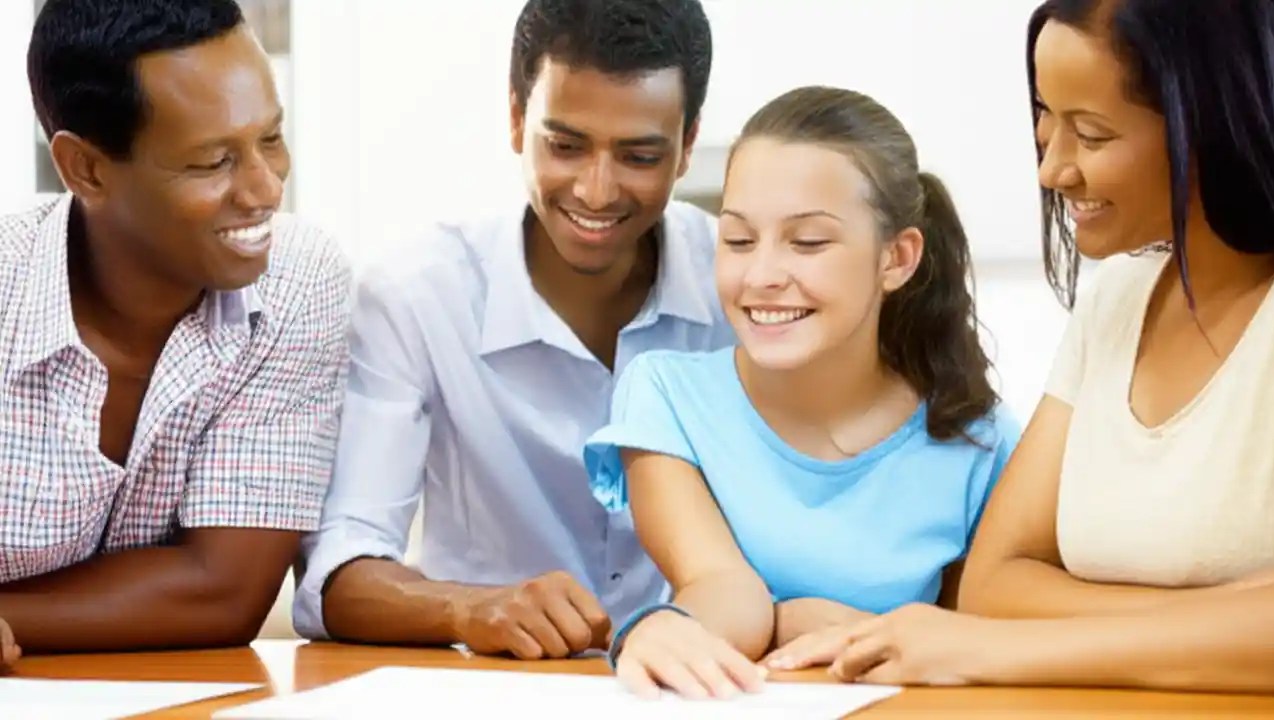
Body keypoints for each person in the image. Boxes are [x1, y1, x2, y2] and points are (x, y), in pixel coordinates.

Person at [769, 0, 1274, 693]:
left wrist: (995, 651)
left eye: (1092, 135)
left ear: (1211, 122)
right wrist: (1229, 622)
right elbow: (994, 582)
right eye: (1046, 116)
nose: (1052, 168)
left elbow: (988, 627)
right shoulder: (1115, 301)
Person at [293, 0, 733, 661]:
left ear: (687, 145)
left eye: (639, 155)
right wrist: (468, 608)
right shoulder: (418, 295)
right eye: (565, 145)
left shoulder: (741, 288)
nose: (596, 189)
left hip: (702, 682)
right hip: (489, 688)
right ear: (516, 118)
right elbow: (337, 573)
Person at [582, 85, 1021, 699]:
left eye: (808, 242)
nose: (761, 275)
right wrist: (664, 627)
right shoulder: (665, 395)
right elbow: (720, 584)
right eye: (738, 240)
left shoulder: (982, 441)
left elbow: (981, 645)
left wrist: (843, 629)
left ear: (896, 258)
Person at [0, 0, 350, 653]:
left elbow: (223, 594)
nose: (264, 188)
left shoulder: (298, 283)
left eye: (270, 138)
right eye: (213, 162)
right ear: (86, 169)